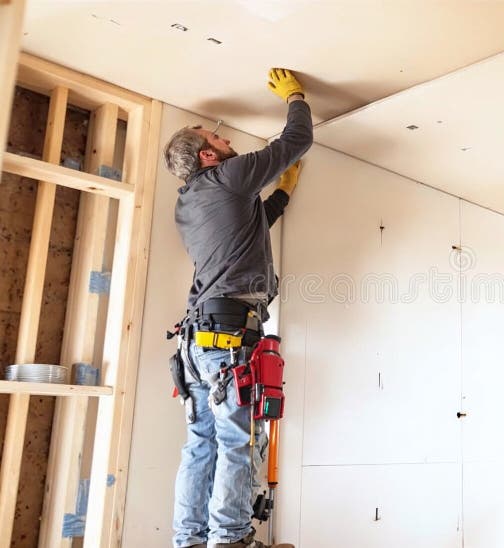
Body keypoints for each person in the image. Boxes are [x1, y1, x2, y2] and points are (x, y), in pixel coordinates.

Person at [163, 68, 312, 548]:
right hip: (226, 339)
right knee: (235, 441)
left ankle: (190, 540)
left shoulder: (190, 202)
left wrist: (284, 192)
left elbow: (252, 226)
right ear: (208, 155)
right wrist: (295, 95)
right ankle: (227, 539)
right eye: (216, 137)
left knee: (201, 444)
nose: (225, 139)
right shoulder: (228, 176)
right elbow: (297, 138)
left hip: (200, 344)